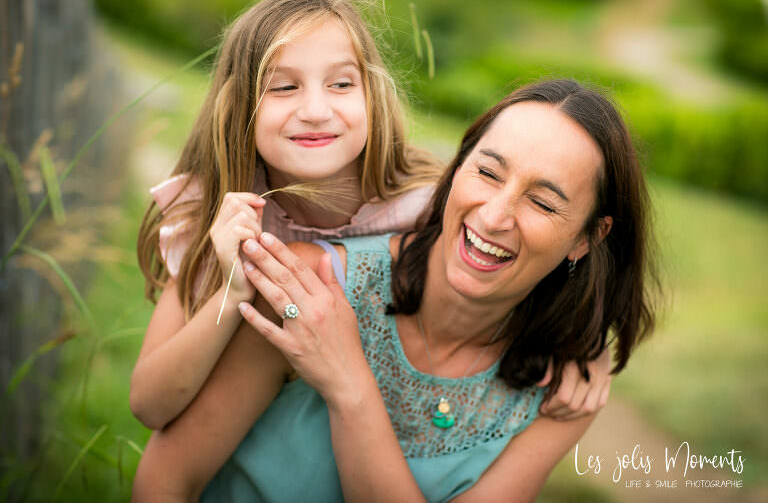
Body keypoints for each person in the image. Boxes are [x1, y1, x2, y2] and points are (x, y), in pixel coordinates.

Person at [131, 79, 659, 502]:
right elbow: (165, 483)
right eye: (487, 172)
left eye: (542, 204)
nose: (495, 216)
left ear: (587, 238)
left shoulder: (562, 396)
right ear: (456, 170)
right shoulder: (308, 289)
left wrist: (349, 386)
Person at [130, 0, 609, 431]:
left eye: (341, 83)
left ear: (371, 94)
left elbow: (518, 274)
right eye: (283, 88)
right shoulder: (216, 214)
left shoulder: (425, 206)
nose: (316, 109)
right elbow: (150, 406)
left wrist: (584, 350)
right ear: (238, 105)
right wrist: (232, 293)